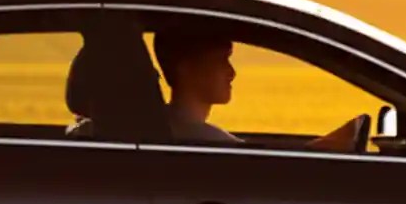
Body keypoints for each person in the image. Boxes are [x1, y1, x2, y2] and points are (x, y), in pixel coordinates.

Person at [153, 32, 365, 151]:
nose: (232, 72)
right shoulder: (202, 141)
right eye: (221, 60)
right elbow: (271, 173)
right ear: (186, 68)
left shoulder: (174, 128)